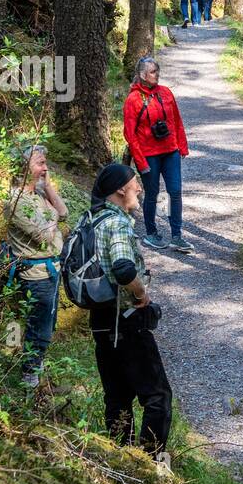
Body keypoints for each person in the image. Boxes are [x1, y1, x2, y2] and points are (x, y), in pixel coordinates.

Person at [88, 162, 173, 459]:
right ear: (121, 188)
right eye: (135, 182)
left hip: (100, 320)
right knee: (157, 395)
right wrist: (142, 294)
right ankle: (150, 462)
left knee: (117, 397)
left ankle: (119, 460)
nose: (139, 187)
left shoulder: (91, 219)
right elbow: (123, 268)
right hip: (126, 320)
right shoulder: (117, 223)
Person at [4, 144, 67, 388]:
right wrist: (53, 216)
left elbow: (64, 212)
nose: (45, 167)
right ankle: (28, 378)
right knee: (37, 328)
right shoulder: (16, 200)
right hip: (34, 275)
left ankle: (35, 370)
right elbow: (45, 236)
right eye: (40, 163)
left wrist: (48, 187)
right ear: (24, 168)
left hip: (50, 270)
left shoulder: (38, 194)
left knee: (47, 323)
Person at [123, 56, 192, 254]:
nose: (157, 74)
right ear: (143, 75)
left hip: (170, 151)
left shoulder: (166, 92)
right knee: (152, 194)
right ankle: (151, 232)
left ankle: (177, 236)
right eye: (153, 71)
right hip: (148, 155)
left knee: (175, 192)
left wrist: (182, 146)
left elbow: (176, 121)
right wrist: (141, 161)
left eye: (158, 70)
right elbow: (130, 134)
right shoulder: (133, 99)